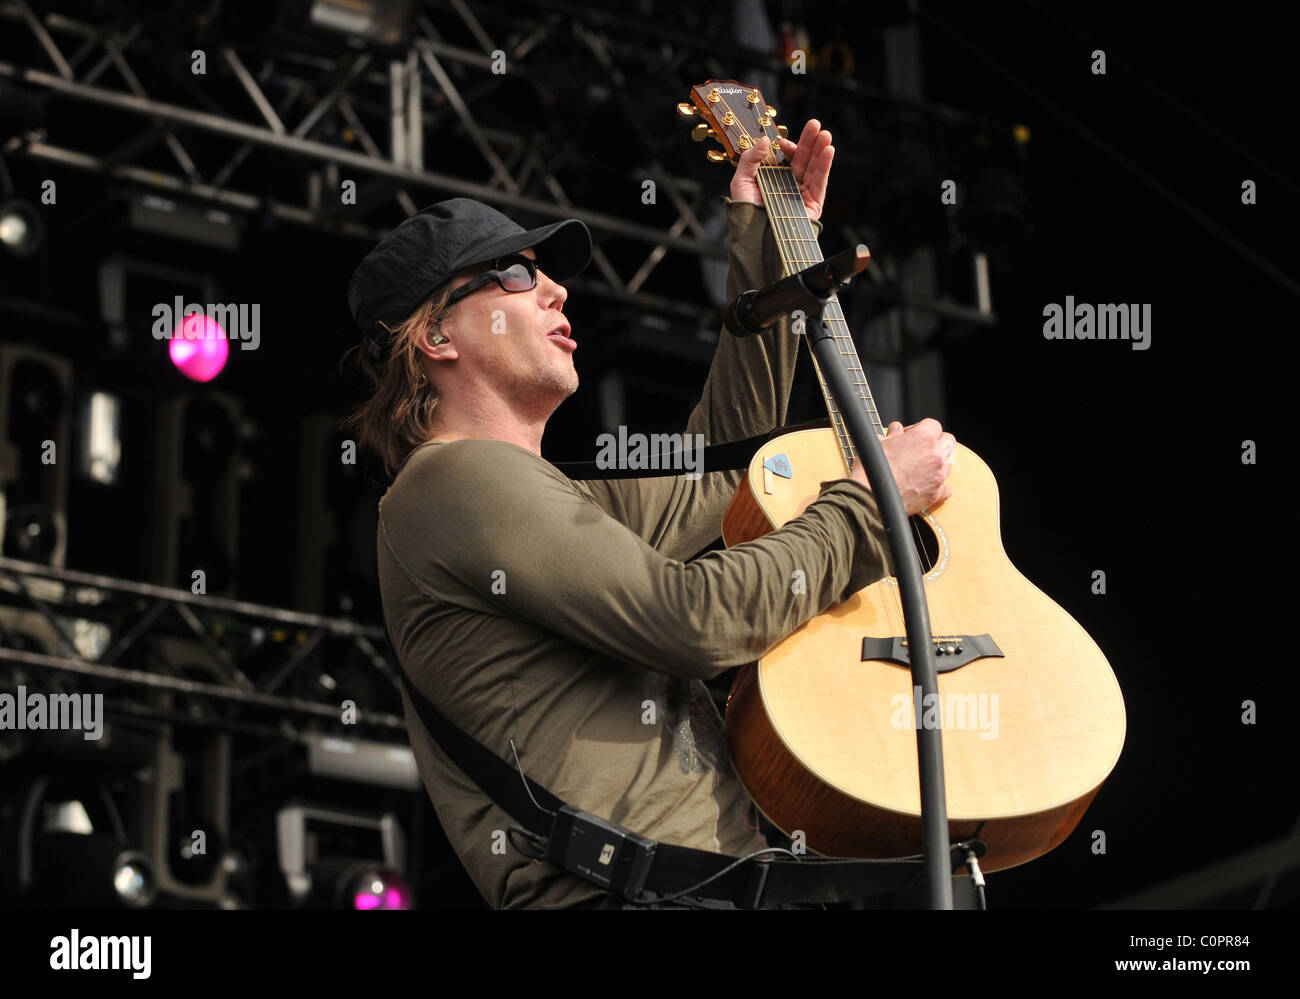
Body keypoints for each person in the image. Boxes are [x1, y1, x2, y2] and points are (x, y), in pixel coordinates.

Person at [345, 120, 956, 909]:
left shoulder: (552, 499)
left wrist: (773, 246)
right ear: (433, 333)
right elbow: (688, 617)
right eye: (514, 275)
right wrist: (871, 507)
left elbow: (733, 478)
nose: (557, 289)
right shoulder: (448, 485)